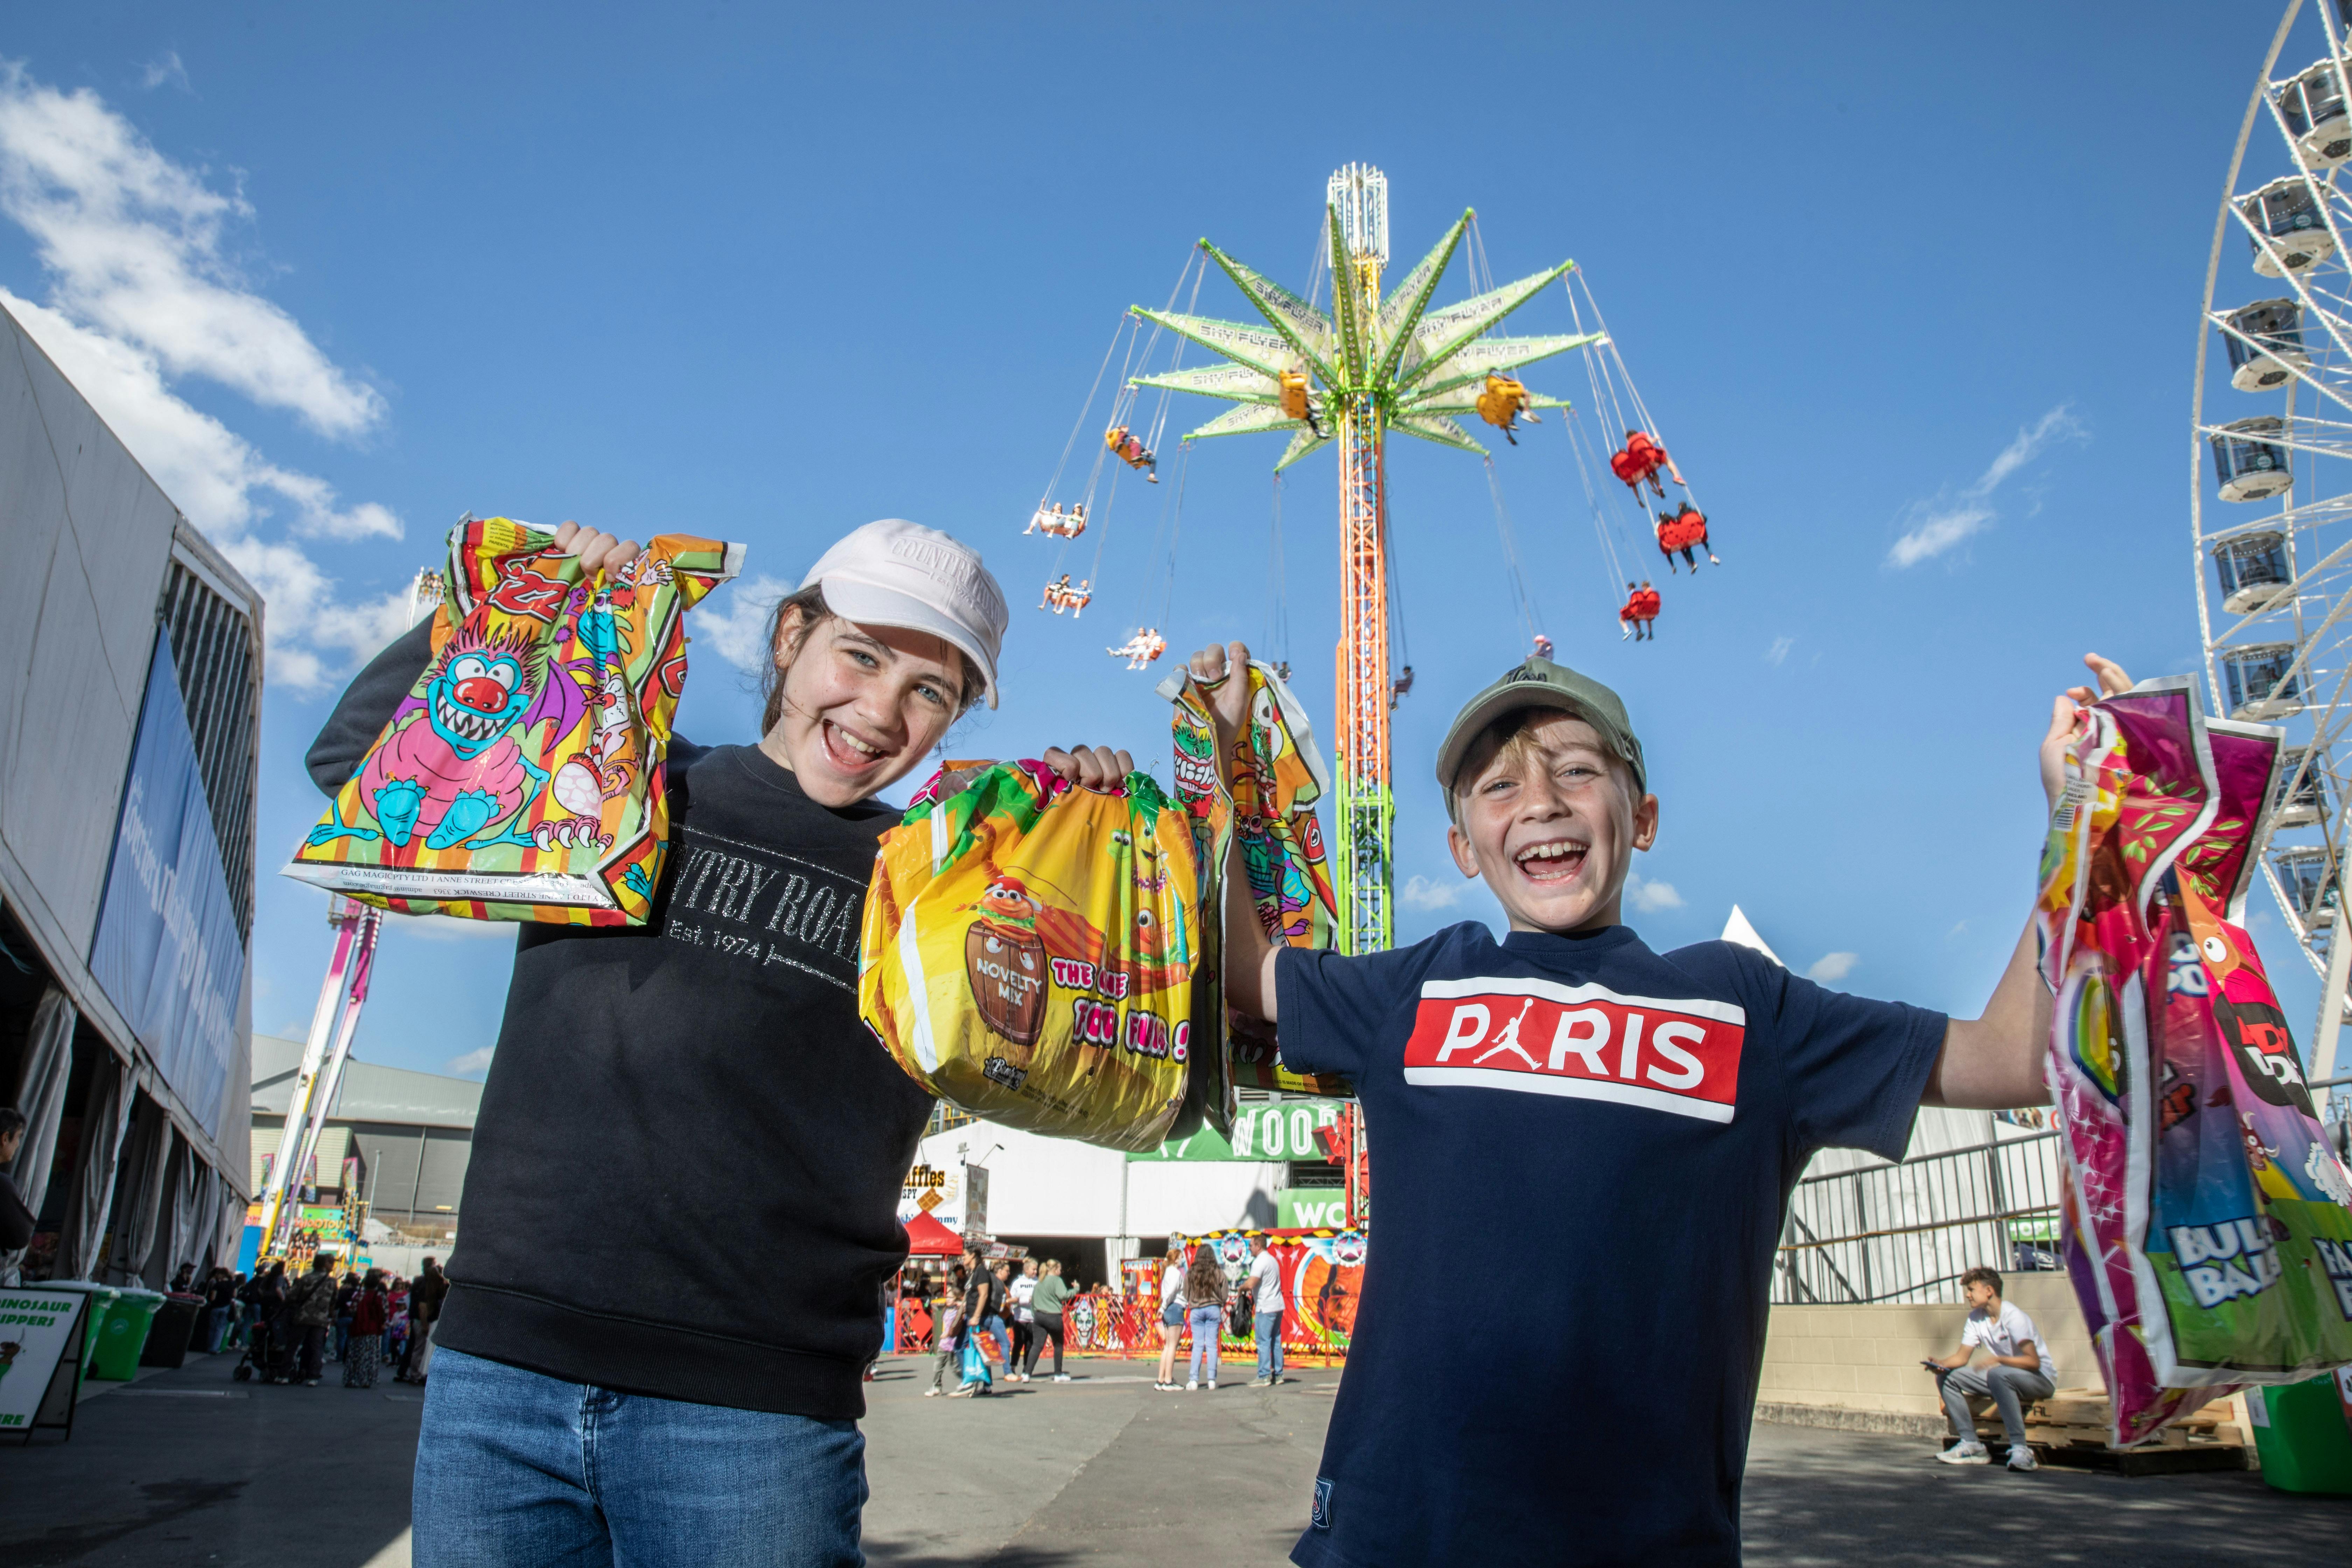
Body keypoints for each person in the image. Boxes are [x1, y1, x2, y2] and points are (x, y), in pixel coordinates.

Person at [1184, 636, 2117, 1566]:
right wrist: (1215, 756)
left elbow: (2018, 1057)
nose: (1541, 801)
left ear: (1646, 817)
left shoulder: (1749, 1004)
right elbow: (1239, 969)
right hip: (1391, 1540)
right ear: (1463, 847)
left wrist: (2080, 818)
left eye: (1577, 771)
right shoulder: (1419, 984)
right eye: (1498, 787)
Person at [312, 517, 1138, 1559]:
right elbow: (357, 762)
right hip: (501, 1378)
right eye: (861, 653)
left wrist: (1088, 841)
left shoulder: (944, 884)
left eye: (932, 690)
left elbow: (1082, 1031)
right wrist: (527, 610)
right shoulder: (608, 782)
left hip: (753, 1408)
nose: (880, 710)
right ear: (791, 633)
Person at [1927, 1265, 2057, 1471]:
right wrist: (1941, 1364)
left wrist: (2000, 1359)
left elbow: (2034, 1363)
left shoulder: (2014, 1317)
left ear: (1989, 1291)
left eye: (1971, 1290)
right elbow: (1962, 1358)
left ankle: (2021, 1450)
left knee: (1998, 1374)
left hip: (2039, 1380)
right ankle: (1972, 1445)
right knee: (1948, 1378)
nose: (1968, 1295)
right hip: (2005, 1379)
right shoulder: (1976, 1318)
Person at [281, 1254, 338, 1386]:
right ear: (325, 1264)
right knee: (317, 1348)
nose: (333, 1266)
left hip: (303, 1317)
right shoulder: (332, 1282)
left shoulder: (306, 1279)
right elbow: (335, 1301)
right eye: (331, 1263)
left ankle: (283, 1374)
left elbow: (292, 1296)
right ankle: (313, 1376)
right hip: (321, 1320)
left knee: (292, 1346)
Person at [1182, 1243, 1227, 1392]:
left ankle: (1194, 1380)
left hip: (1196, 1310)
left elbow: (1186, 1293)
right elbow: (1225, 1293)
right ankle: (1212, 1380)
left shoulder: (1192, 1272)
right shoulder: (1218, 1271)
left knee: (1198, 1346)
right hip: (1214, 1308)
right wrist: (1220, 1301)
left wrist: (1192, 1301)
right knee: (1212, 1346)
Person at [400, 1256, 448, 1384]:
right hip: (424, 1319)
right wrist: (425, 1324)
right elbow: (423, 1307)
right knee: (421, 1348)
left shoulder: (418, 1282)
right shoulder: (429, 1285)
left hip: (416, 1318)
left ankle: (414, 1373)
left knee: (417, 1347)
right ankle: (416, 1374)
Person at [1246, 1235, 1286, 1387]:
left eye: (1251, 1245)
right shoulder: (1273, 1260)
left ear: (1258, 1246)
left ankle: (1264, 1375)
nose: (1249, 1248)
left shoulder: (1260, 1262)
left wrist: (1241, 1288)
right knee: (1276, 1340)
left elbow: (1251, 1283)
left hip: (1266, 1307)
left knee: (1263, 1341)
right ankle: (1279, 1374)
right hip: (1277, 1305)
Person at [1025, 1259, 1072, 1381]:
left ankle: (1027, 1374)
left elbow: (1033, 1301)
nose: (1061, 1272)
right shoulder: (1057, 1281)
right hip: (1053, 1316)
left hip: (1039, 1316)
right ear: (1056, 1269)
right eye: (1060, 1270)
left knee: (1037, 1346)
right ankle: (1058, 1374)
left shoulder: (1040, 1281)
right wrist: (1075, 1290)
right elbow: (1064, 1296)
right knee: (1058, 1345)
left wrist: (1035, 1314)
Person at [345, 1270, 391, 1389]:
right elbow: (386, 1313)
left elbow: (352, 1311)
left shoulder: (359, 1295)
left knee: (355, 1354)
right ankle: (366, 1379)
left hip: (358, 1328)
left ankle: (352, 1378)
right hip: (373, 1330)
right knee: (369, 1356)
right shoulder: (380, 1296)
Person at [925, 1276, 966, 1397]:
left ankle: (968, 1381)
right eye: (947, 1297)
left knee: (956, 1368)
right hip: (944, 1343)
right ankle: (936, 1387)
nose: (948, 1299)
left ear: (957, 1298)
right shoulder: (946, 1310)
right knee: (938, 1366)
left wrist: (948, 1333)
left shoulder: (959, 1311)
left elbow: (956, 1326)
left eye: (951, 1297)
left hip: (953, 1343)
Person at [0, 1108, 33, 1256]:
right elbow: (20, 1237)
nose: (18, 1144)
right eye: (18, 1137)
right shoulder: (3, 1184)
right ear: (5, 1138)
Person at [1154, 1250, 1187, 1392]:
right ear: (1176, 1260)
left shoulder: (1167, 1272)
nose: (1183, 1260)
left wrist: (1163, 1308)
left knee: (1167, 1346)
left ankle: (1161, 1379)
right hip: (1175, 1308)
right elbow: (1172, 1292)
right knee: (1173, 1346)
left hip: (1168, 1309)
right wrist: (1163, 1307)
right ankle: (1168, 1380)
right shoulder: (1175, 1273)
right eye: (1181, 1258)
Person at [1008, 1259, 1039, 1383]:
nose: (1036, 1272)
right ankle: (1013, 1366)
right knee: (1019, 1343)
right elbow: (1012, 1299)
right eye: (1034, 1269)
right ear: (1026, 1270)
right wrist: (1026, 1300)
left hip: (1033, 1318)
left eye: (1037, 1269)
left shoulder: (1038, 1282)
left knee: (1030, 1344)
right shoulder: (1018, 1282)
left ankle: (1027, 1369)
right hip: (1020, 1318)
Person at [201, 1266, 237, 1353]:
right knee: (221, 1328)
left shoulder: (218, 1285)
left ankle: (209, 1347)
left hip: (216, 1307)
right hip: (226, 1307)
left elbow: (213, 1298)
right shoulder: (233, 1284)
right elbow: (235, 1295)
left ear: (222, 1275)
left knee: (212, 1328)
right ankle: (215, 1348)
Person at [332, 1267, 362, 1364]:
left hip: (343, 1315)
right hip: (354, 1317)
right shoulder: (359, 1294)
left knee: (341, 1337)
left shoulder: (343, 1292)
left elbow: (338, 1304)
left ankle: (340, 1357)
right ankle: (348, 1357)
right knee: (350, 1338)